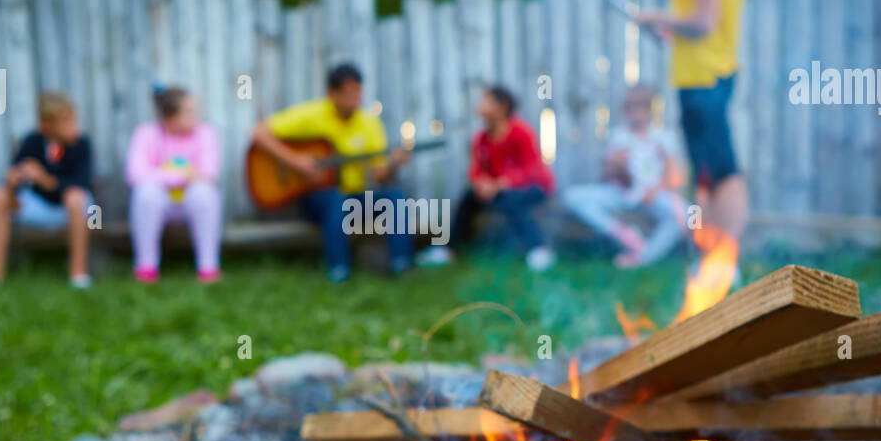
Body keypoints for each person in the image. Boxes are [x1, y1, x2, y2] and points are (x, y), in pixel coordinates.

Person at [635, 0, 748, 248]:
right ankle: (714, 256)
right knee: (708, 171)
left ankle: (725, 258)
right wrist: (668, 31)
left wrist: (656, 18)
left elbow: (703, 22)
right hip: (706, 74)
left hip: (704, 77)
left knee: (721, 171)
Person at [250, 63, 411, 282]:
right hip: (318, 199)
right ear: (332, 93)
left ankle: (401, 265)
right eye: (349, 94)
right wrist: (295, 161)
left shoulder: (369, 123)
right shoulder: (312, 114)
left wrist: (392, 165)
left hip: (357, 196)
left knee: (395, 198)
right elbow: (259, 133)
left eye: (358, 93)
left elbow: (379, 174)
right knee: (337, 200)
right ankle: (339, 270)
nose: (355, 100)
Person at [418, 85, 555, 272]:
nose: (479, 105)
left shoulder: (520, 132)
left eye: (485, 101)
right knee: (468, 197)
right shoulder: (482, 138)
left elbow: (531, 169)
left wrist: (499, 184)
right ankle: (448, 249)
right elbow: (475, 170)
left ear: (502, 107)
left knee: (511, 200)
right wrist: (480, 184)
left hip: (534, 186)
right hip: (498, 189)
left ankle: (538, 249)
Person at [561, 85, 686, 268]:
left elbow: (675, 176)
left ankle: (644, 257)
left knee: (685, 214)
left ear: (649, 108)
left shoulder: (663, 137)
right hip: (621, 194)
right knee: (572, 197)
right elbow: (610, 175)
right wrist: (619, 168)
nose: (634, 111)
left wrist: (654, 191)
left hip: (654, 196)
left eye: (640, 105)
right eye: (629, 106)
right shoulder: (618, 137)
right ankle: (624, 234)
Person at [0, 91, 95, 288]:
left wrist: (45, 179)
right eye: (66, 121)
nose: (74, 126)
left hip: (80, 210)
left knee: (75, 197)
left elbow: (82, 184)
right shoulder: (32, 142)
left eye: (73, 119)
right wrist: (12, 181)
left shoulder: (81, 144)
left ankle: (78, 273)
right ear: (46, 125)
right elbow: (15, 179)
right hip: (38, 207)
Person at [125, 86, 222, 283]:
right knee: (146, 193)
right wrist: (182, 174)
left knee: (204, 192)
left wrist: (159, 173)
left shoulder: (206, 133)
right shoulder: (145, 134)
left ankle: (208, 267)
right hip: (160, 202)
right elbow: (134, 175)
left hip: (191, 202)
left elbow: (210, 173)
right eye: (189, 111)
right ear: (170, 117)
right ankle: (146, 266)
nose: (196, 116)